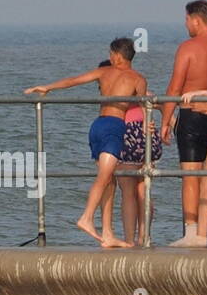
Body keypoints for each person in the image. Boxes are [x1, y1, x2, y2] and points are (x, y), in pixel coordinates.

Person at [25, 38, 146, 248]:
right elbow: (145, 108)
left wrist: (47, 87)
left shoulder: (104, 73)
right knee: (105, 177)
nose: (109, 57)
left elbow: (73, 80)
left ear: (117, 55)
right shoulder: (138, 79)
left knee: (109, 182)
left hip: (97, 126)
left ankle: (108, 234)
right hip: (114, 127)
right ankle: (87, 217)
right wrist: (149, 127)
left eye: (110, 54)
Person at [161, 1, 207, 243]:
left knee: (191, 175)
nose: (186, 24)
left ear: (197, 20)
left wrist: (166, 120)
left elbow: (175, 86)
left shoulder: (188, 48)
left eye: (187, 19)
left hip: (191, 116)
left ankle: (192, 232)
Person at [112, 60, 162, 246]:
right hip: (146, 136)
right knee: (144, 188)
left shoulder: (116, 89)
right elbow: (159, 103)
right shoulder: (139, 85)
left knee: (127, 191)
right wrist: (166, 123)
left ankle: (129, 239)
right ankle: (145, 236)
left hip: (129, 132)